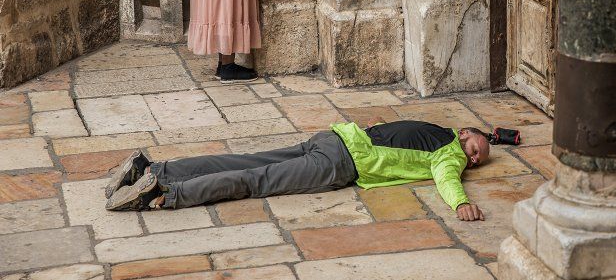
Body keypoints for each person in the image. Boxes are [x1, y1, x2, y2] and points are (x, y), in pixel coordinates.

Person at [103, 119, 519, 221]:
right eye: (477, 149)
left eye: (479, 158)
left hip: (333, 136)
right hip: (340, 162)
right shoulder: (452, 154)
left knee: (247, 161)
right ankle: (162, 192)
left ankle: (152, 166)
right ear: (463, 136)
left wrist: (498, 138)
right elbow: (447, 177)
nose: (474, 159)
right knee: (255, 181)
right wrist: (461, 201)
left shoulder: (434, 128)